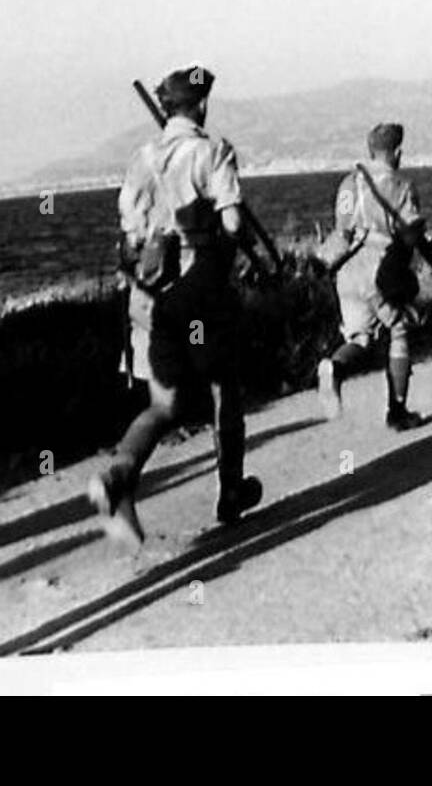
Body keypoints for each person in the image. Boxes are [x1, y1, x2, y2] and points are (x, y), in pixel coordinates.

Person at [89, 65, 262, 550]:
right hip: (199, 297)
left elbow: (129, 233)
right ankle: (231, 494)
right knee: (223, 388)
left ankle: (119, 474)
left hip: (148, 297)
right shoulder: (212, 151)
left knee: (163, 405)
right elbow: (231, 226)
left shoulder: (141, 159)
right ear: (202, 105)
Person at [318, 123, 432, 431]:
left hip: (347, 271)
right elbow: (411, 232)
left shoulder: (348, 183)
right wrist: (430, 258)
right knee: (398, 331)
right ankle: (398, 411)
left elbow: (341, 229)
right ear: (397, 152)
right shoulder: (402, 186)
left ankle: (334, 367)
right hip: (380, 270)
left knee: (360, 337)